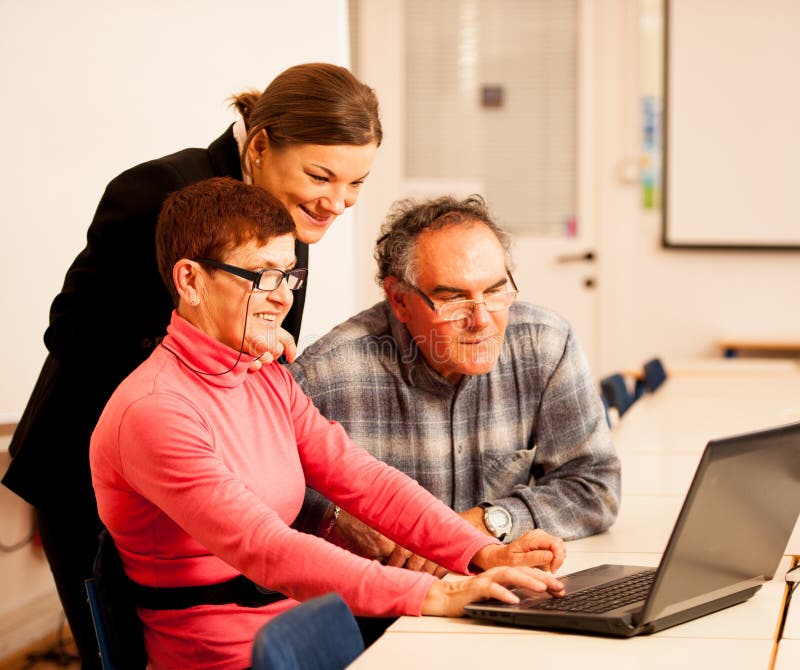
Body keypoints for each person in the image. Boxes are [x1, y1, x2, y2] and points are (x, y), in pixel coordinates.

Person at [89, 177, 567, 669]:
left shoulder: (261, 375)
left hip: (306, 634)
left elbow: (364, 481)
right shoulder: (155, 411)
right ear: (190, 280)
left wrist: (482, 553)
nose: (282, 298)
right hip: (227, 657)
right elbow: (265, 548)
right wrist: (440, 594)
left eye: (288, 276)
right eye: (263, 275)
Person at [2, 62, 381, 668]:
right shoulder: (153, 193)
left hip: (204, 492)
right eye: (321, 175)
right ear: (260, 146)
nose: (336, 202)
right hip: (97, 483)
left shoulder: (289, 213)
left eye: (356, 183)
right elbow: (71, 332)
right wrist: (208, 356)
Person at [289, 195, 621, 572]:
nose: (481, 320)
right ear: (399, 300)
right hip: (377, 609)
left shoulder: (545, 344)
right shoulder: (326, 374)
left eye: (495, 291)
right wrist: (335, 521)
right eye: (453, 299)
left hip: (497, 590)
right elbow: (258, 495)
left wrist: (484, 523)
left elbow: (595, 485)